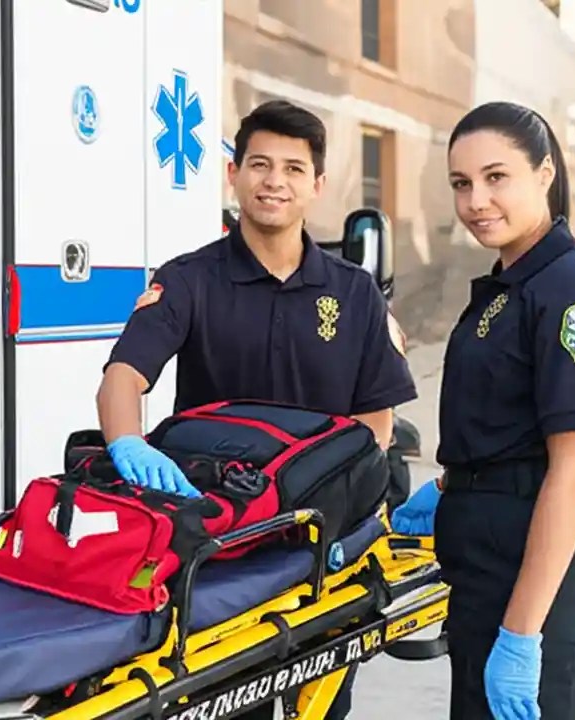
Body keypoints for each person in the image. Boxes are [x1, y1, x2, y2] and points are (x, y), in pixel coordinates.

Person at [96, 99, 418, 718]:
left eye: (295, 169)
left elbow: (378, 417)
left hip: (321, 542)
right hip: (221, 544)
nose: (276, 181)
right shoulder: (190, 280)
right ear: (234, 174)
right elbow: (122, 377)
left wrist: (350, 498)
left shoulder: (351, 291)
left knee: (320, 706)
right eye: (261, 164)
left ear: (317, 186)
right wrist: (127, 444)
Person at [390, 101, 575, 720]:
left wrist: (521, 636)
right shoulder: (510, 283)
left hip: (531, 563)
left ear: (544, 174)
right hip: (486, 549)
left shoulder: (569, 288)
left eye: (497, 177)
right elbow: (506, 421)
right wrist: (449, 486)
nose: (476, 201)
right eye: (461, 184)